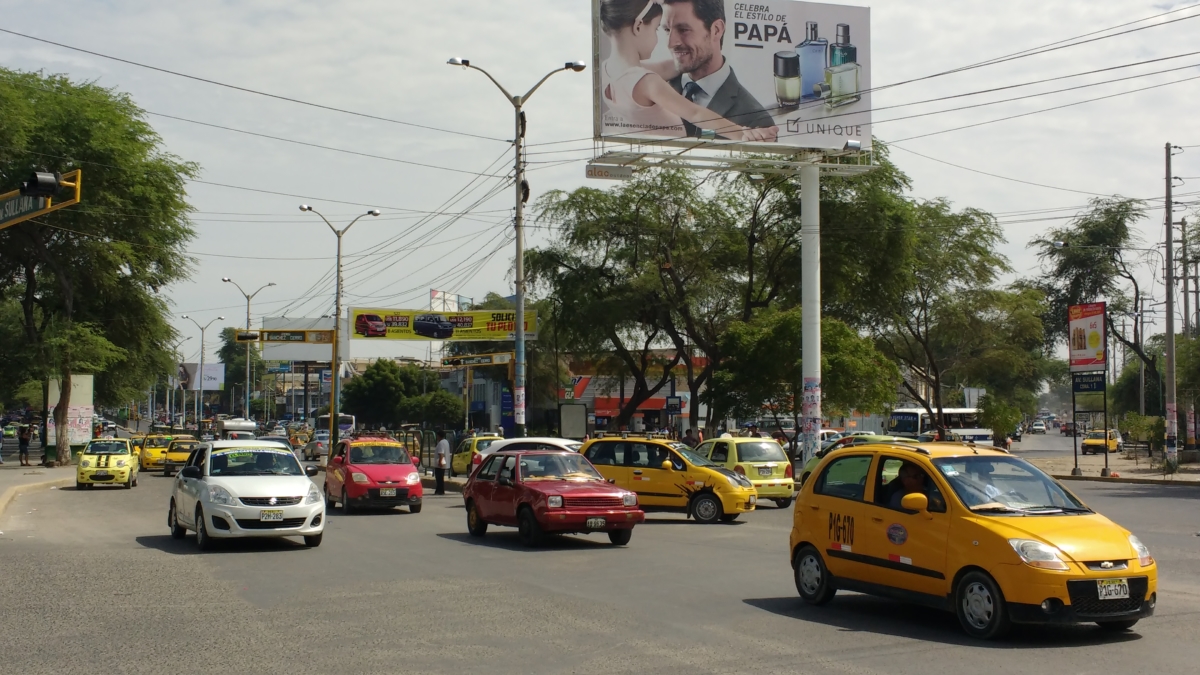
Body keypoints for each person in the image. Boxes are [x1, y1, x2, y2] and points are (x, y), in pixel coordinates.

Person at [662, 0, 778, 140]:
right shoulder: (652, 89)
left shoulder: (756, 121)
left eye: (683, 30)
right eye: (667, 30)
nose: (671, 43)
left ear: (716, 30)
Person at [434, 430, 451, 495]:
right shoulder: (446, 442)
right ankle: (439, 490)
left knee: (439, 478)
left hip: (440, 463)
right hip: (444, 463)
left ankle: (440, 490)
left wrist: (440, 462)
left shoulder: (441, 443)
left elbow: (441, 453)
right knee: (440, 477)